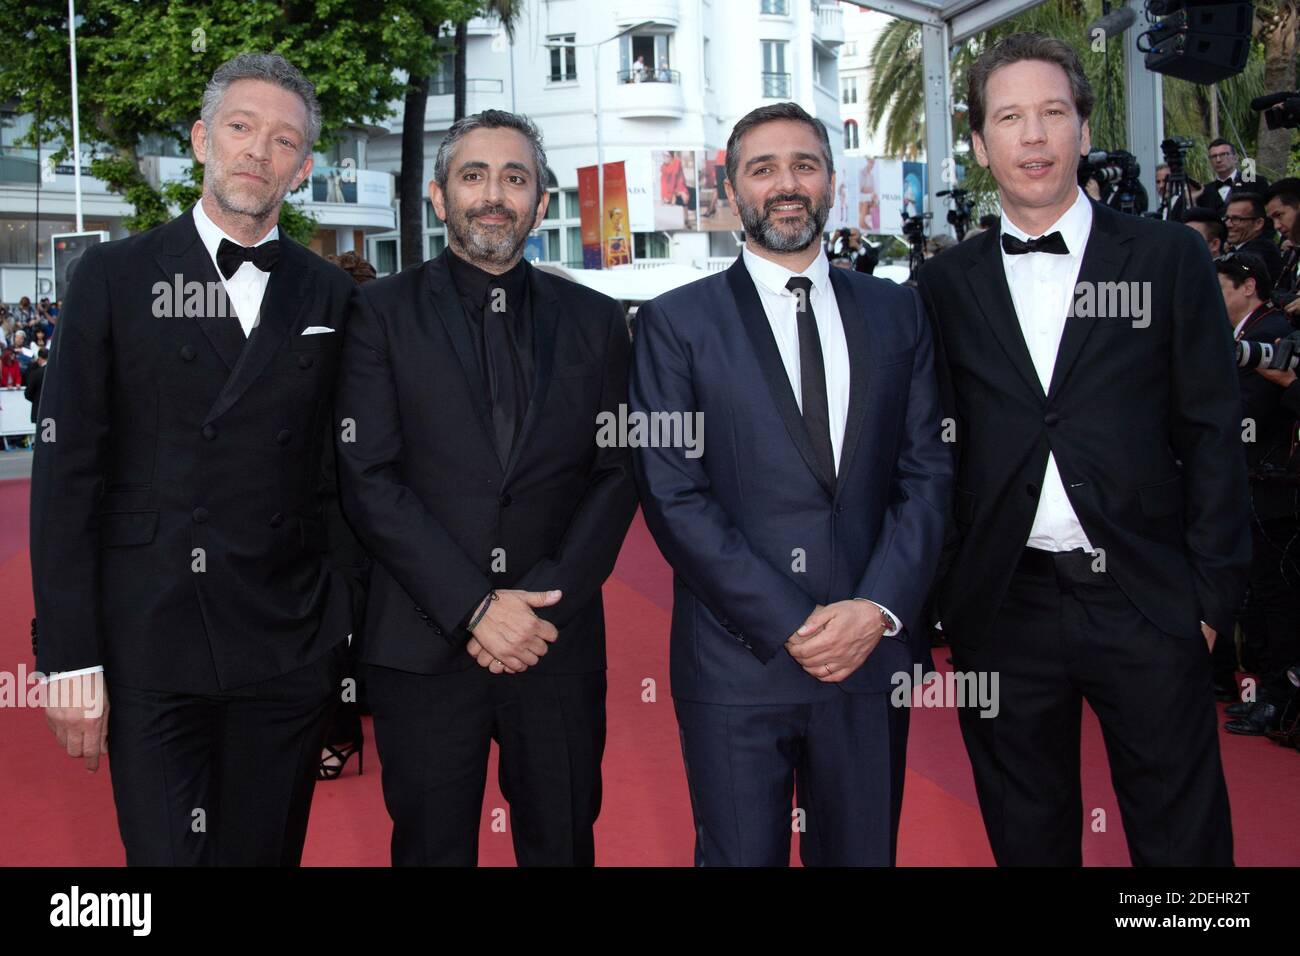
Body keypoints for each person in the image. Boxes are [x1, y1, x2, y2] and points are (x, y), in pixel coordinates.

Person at [917, 33, 1247, 866]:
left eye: (1053, 113)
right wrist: (950, 591)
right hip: (1005, 606)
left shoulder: (1168, 258)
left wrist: (1207, 602)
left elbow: (1212, 433)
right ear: (982, 142)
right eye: (1011, 117)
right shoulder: (943, 286)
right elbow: (930, 446)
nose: (1033, 137)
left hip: (1147, 596)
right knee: (1027, 835)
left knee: (1183, 840)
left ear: (1083, 129)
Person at [30, 52, 366, 866]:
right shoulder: (110, 275)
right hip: (152, 638)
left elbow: (348, 476)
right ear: (201, 138)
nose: (259, 151)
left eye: (284, 140)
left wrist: (342, 632)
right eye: (241, 127)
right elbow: (66, 473)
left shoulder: (334, 294)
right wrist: (70, 655)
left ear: (305, 166)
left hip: (286, 642)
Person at [631, 102, 951, 866]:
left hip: (869, 659)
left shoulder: (897, 313)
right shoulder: (676, 324)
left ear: (831, 181)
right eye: (763, 168)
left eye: (804, 164)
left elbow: (928, 470)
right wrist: (795, 622)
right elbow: (672, 493)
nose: (786, 184)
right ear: (731, 189)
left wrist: (874, 610)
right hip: (738, 662)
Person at [335, 109, 636, 867]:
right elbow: (367, 476)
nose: (493, 194)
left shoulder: (599, 324)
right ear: (440, 198)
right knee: (432, 851)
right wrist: (473, 607)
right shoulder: (377, 314)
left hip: (554, 642)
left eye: (515, 178)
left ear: (542, 203)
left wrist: (541, 604)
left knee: (563, 843)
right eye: (473, 176)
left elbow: (618, 470)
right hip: (422, 643)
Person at [1214, 251, 1300, 734]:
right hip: (1255, 481)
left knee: (1275, 593)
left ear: (1248, 287)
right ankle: (1269, 692)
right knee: (1262, 591)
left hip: (1275, 486)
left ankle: (1278, 696)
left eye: (1220, 286)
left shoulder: (1270, 335)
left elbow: (1252, 412)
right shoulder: (1249, 335)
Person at [1223, 191, 1282, 283]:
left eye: (1236, 219)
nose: (1228, 224)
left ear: (1258, 223)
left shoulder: (1263, 250)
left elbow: (1245, 268)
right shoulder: (1237, 249)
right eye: (1226, 218)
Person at [1203, 138, 1268, 213]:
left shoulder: (1256, 182)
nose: (1218, 160)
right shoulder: (1205, 191)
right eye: (1214, 156)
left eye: (1224, 154)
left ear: (1235, 158)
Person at [23, 346, 47, 422]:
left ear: (39, 358)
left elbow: (28, 393)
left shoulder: (36, 374)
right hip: (54, 411)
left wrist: (36, 400)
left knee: (41, 433)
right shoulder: (56, 373)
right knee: (53, 433)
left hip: (39, 410)